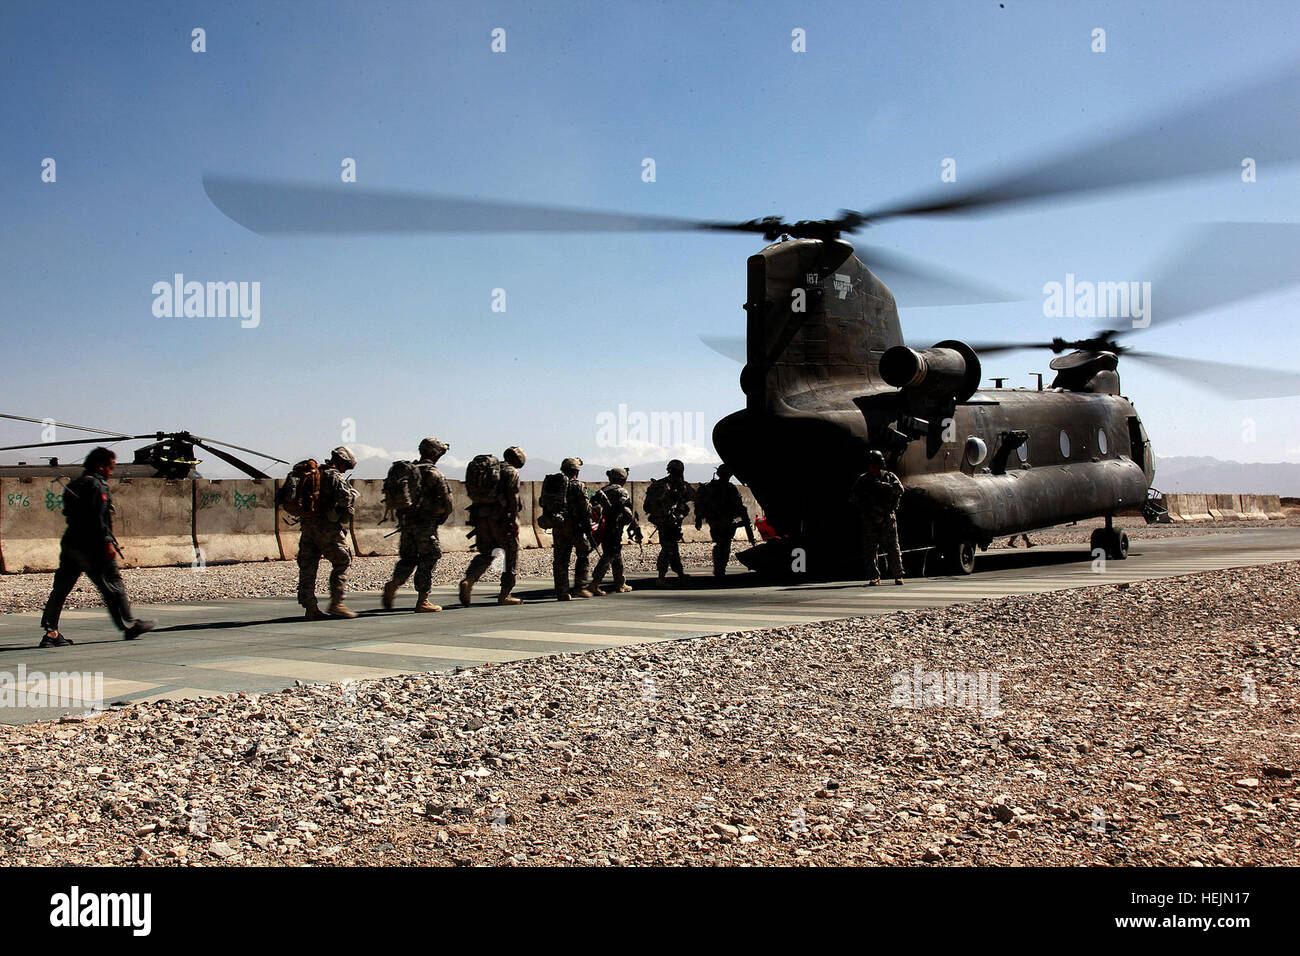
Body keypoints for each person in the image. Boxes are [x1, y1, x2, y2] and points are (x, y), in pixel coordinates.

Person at [39, 447, 156, 646]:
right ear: (101, 466)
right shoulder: (97, 486)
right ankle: (130, 624)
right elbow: (97, 518)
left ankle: (51, 632)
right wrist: (107, 544)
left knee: (60, 589)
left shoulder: (75, 484)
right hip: (92, 547)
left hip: (71, 545)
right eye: (110, 468)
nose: (111, 473)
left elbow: (70, 513)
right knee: (113, 586)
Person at [381, 437, 453, 612]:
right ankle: (423, 600)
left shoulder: (409, 471)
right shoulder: (434, 473)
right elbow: (447, 501)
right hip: (426, 524)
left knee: (408, 558)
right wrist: (442, 517)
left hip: (406, 524)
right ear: (434, 454)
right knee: (429, 558)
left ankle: (394, 583)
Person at [459, 446, 526, 606]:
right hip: (502, 520)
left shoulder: (490, 470)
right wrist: (514, 521)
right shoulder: (511, 472)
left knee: (486, 553)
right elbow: (512, 499)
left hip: (481, 517)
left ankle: (469, 580)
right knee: (510, 556)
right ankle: (505, 595)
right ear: (518, 460)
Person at [296, 446, 358, 619]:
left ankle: (310, 608)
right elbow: (345, 500)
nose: (345, 469)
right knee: (343, 561)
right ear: (340, 461)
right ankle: (337, 603)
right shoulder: (334, 476)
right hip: (327, 528)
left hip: (308, 527)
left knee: (308, 567)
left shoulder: (317, 473)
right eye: (345, 466)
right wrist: (353, 495)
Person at [850, 450, 904, 586]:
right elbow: (853, 498)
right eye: (871, 465)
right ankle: (874, 576)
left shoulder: (889, 477)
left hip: (887, 517)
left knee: (893, 547)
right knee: (870, 549)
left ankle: (898, 575)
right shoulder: (863, 480)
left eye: (876, 465)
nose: (873, 468)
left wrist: (886, 487)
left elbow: (900, 490)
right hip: (870, 518)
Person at [695, 463, 755, 577]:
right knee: (724, 545)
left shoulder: (712, 487)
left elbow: (700, 504)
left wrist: (699, 519)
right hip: (722, 521)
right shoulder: (729, 488)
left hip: (718, 521)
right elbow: (739, 506)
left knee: (721, 545)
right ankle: (720, 569)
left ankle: (720, 568)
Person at [590, 467, 642, 595]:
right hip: (614, 528)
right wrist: (633, 525)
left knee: (616, 555)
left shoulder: (603, 490)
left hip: (603, 527)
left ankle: (620, 583)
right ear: (622, 479)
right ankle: (594, 584)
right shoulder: (621, 491)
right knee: (608, 555)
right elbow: (626, 510)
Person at [551, 457, 594, 600]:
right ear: (576, 471)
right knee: (583, 553)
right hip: (575, 527)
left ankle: (561, 591)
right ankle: (580, 587)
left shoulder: (555, 484)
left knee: (560, 559)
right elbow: (586, 509)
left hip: (558, 525)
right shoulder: (578, 485)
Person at [649, 458, 694, 587]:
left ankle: (680, 573)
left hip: (662, 521)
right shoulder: (679, 485)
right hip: (670, 522)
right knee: (668, 550)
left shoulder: (660, 484)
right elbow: (693, 496)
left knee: (673, 548)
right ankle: (661, 578)